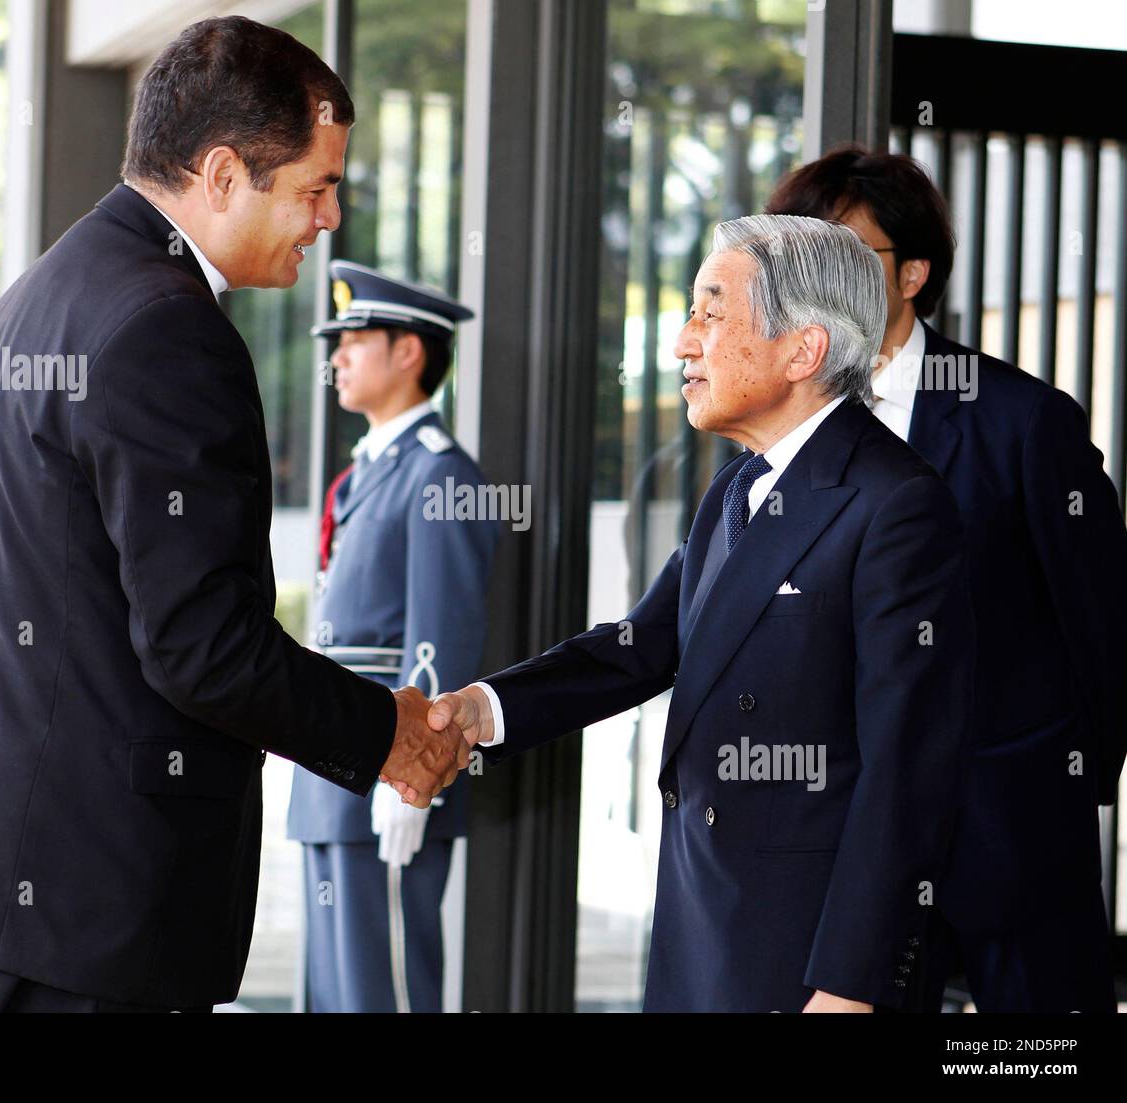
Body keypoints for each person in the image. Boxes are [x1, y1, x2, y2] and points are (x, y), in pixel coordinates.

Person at [0, 16, 463, 1014]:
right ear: (222, 176)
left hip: (8, 865)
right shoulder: (167, 328)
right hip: (85, 892)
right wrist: (385, 729)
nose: (330, 216)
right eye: (314, 186)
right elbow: (202, 647)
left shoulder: (46, 292)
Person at [422, 214, 975, 1012]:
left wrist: (852, 983)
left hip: (804, 957)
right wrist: (483, 709)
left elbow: (908, 773)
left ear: (803, 350)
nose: (684, 342)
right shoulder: (737, 488)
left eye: (711, 313)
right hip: (702, 924)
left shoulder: (898, 504)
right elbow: (640, 646)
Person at [767, 145, 1127, 1013]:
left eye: (843, 254)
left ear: (913, 271)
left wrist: (1065, 782)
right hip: (840, 851)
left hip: (1008, 839)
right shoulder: (782, 423)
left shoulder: (1022, 420)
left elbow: (1103, 624)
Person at [287, 261, 498, 1012]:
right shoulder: (370, 472)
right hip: (337, 763)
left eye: (354, 340)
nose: (336, 357)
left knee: (387, 991)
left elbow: (441, 633)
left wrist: (418, 773)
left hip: (388, 766)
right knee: (335, 991)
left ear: (409, 352)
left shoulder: (441, 475)